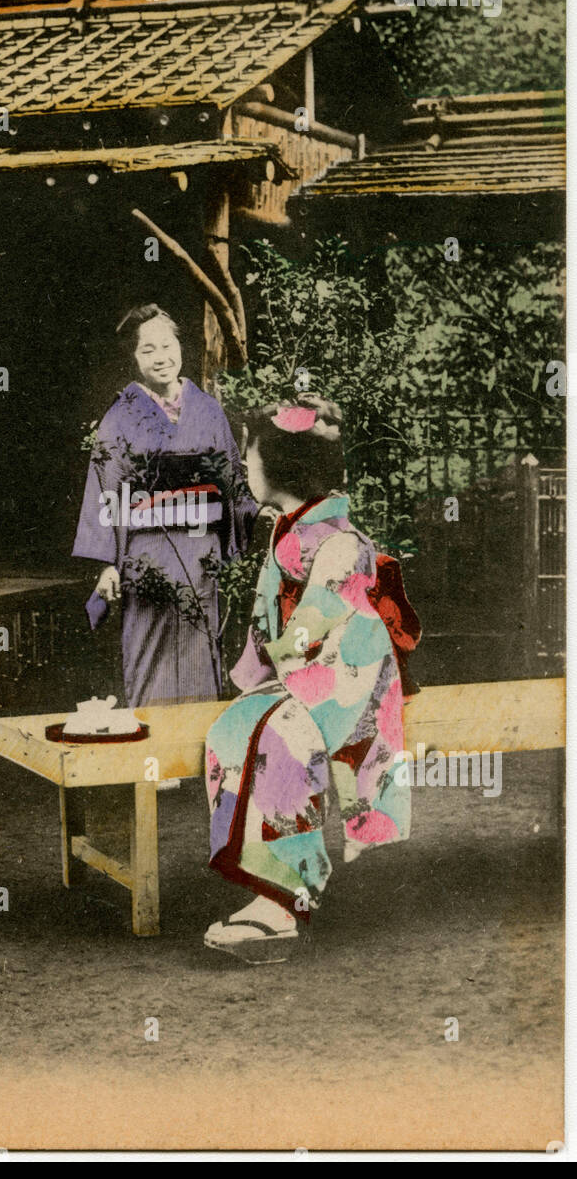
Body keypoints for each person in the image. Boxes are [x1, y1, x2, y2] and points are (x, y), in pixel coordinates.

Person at [204, 396, 419, 955]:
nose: (246, 467)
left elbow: (313, 626)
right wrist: (267, 673)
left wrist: (283, 663)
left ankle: (283, 902)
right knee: (231, 729)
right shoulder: (293, 533)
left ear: (280, 467)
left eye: (250, 456)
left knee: (280, 738)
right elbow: (278, 632)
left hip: (352, 679)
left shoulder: (341, 542)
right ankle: (266, 887)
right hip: (314, 673)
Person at [73, 304, 257, 706]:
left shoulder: (208, 409)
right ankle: (153, 762)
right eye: (148, 350)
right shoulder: (120, 417)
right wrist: (106, 563)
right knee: (148, 654)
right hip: (146, 555)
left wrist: (258, 514)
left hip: (199, 551)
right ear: (133, 359)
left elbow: (232, 483)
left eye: (168, 345)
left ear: (180, 346)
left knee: (200, 652)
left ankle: (197, 760)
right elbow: (104, 488)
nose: (161, 357)